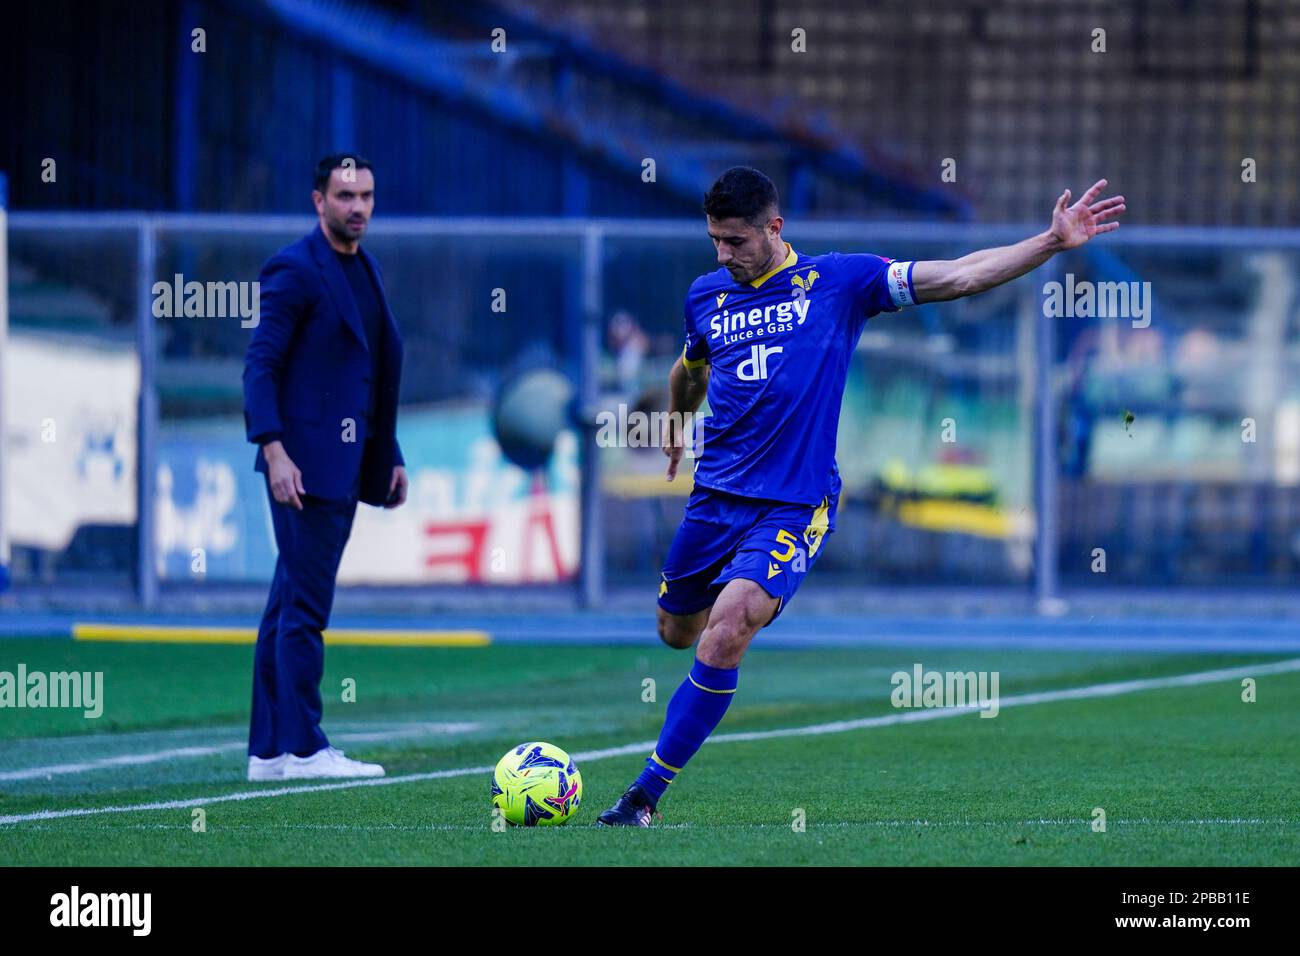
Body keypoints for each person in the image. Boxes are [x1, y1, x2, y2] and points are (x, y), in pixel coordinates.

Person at [597, 165, 1124, 825]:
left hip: (795, 502)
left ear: (775, 228)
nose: (723, 255)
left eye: (735, 241)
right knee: (676, 632)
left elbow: (959, 275)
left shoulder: (840, 283)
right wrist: (675, 418)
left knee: (726, 629)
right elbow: (690, 365)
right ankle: (731, 611)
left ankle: (643, 797)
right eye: (715, 241)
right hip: (714, 500)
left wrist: (1047, 243)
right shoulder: (707, 296)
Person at [241, 153, 409, 781]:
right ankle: (306, 749)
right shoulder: (294, 267)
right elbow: (260, 365)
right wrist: (274, 448)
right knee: (306, 610)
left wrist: (388, 454)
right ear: (319, 201)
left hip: (345, 466)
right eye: (344, 195)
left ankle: (268, 752)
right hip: (303, 469)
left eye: (366, 194)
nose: (357, 206)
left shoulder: (365, 268)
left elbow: (367, 373)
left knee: (287, 605)